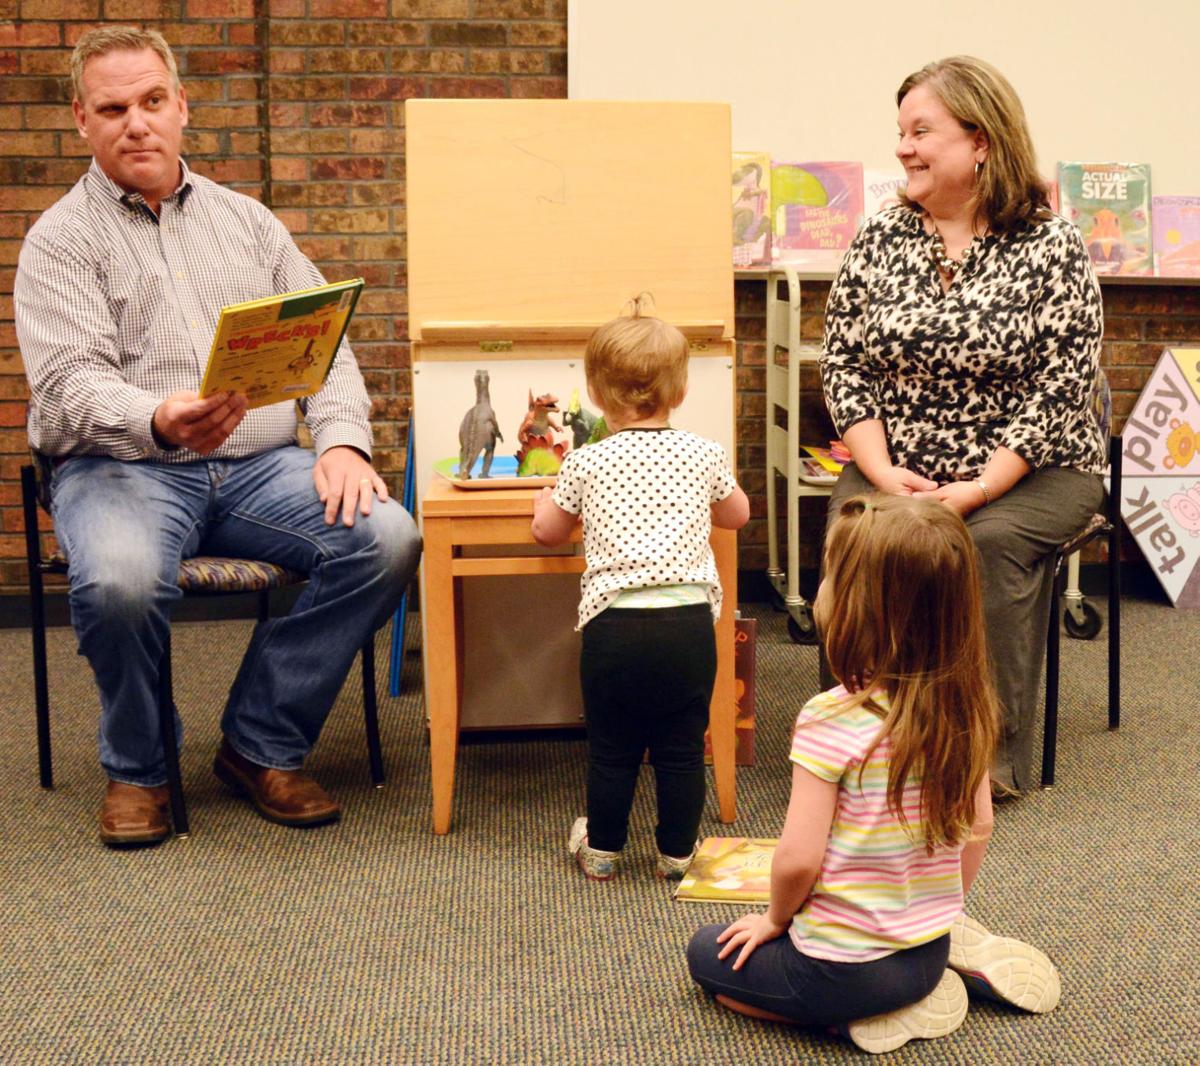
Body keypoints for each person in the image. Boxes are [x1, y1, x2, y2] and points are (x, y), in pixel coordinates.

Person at [13, 26, 422, 847]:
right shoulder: (58, 240)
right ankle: (139, 767)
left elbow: (326, 340)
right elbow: (66, 386)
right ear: (81, 121)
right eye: (114, 107)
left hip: (260, 466)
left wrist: (341, 440)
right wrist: (157, 417)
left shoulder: (249, 223)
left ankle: (259, 742)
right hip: (121, 468)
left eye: (153, 101)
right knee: (122, 583)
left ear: (182, 106)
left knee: (387, 537)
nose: (137, 123)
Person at [819, 56, 1107, 795]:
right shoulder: (880, 238)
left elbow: (1060, 388)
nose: (903, 148)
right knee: (857, 527)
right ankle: (854, 742)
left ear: (981, 142)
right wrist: (881, 474)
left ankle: (983, 762)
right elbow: (845, 366)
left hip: (1034, 470)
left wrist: (980, 488)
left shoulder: (1053, 247)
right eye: (900, 132)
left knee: (983, 545)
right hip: (900, 460)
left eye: (922, 131)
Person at [687, 496, 1061, 1055]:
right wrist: (935, 907)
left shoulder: (829, 718)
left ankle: (849, 1021)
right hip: (925, 953)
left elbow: (797, 860)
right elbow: (978, 825)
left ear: (860, 609)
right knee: (877, 941)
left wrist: (774, 918)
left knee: (708, 957)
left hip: (840, 972)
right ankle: (929, 984)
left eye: (831, 578)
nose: (820, 592)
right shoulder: (968, 708)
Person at [530, 306, 750, 880]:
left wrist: (542, 503)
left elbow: (548, 533)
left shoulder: (584, 460)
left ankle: (602, 852)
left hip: (615, 627)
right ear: (678, 389)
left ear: (597, 395)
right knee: (680, 749)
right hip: (686, 625)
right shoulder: (703, 453)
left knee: (612, 749)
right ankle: (677, 856)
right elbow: (738, 516)